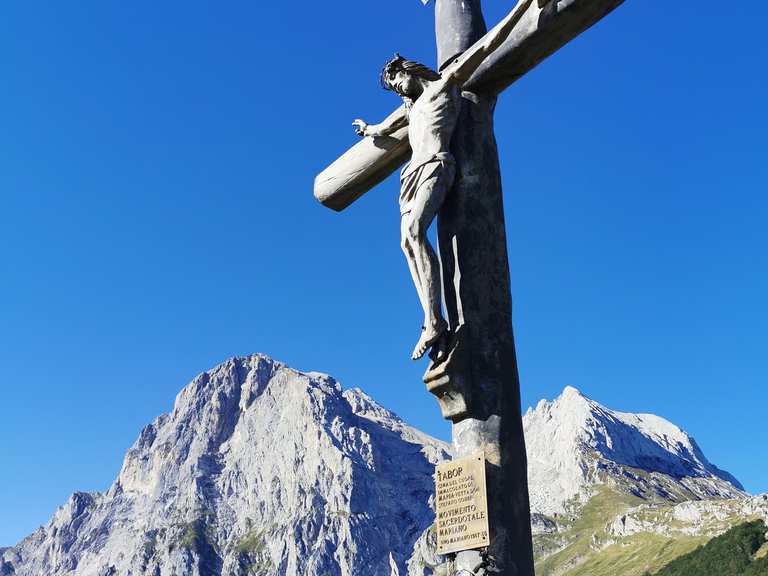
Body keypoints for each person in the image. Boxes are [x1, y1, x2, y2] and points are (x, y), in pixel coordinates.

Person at [352, 0, 530, 360]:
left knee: (416, 232)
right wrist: (369, 129)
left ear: (410, 69)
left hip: (436, 164)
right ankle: (430, 317)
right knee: (406, 242)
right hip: (410, 176)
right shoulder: (410, 108)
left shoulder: (443, 85)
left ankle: (434, 321)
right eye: (392, 86)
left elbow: (488, 45)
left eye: (397, 79)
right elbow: (385, 129)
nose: (398, 88)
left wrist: (523, 8)